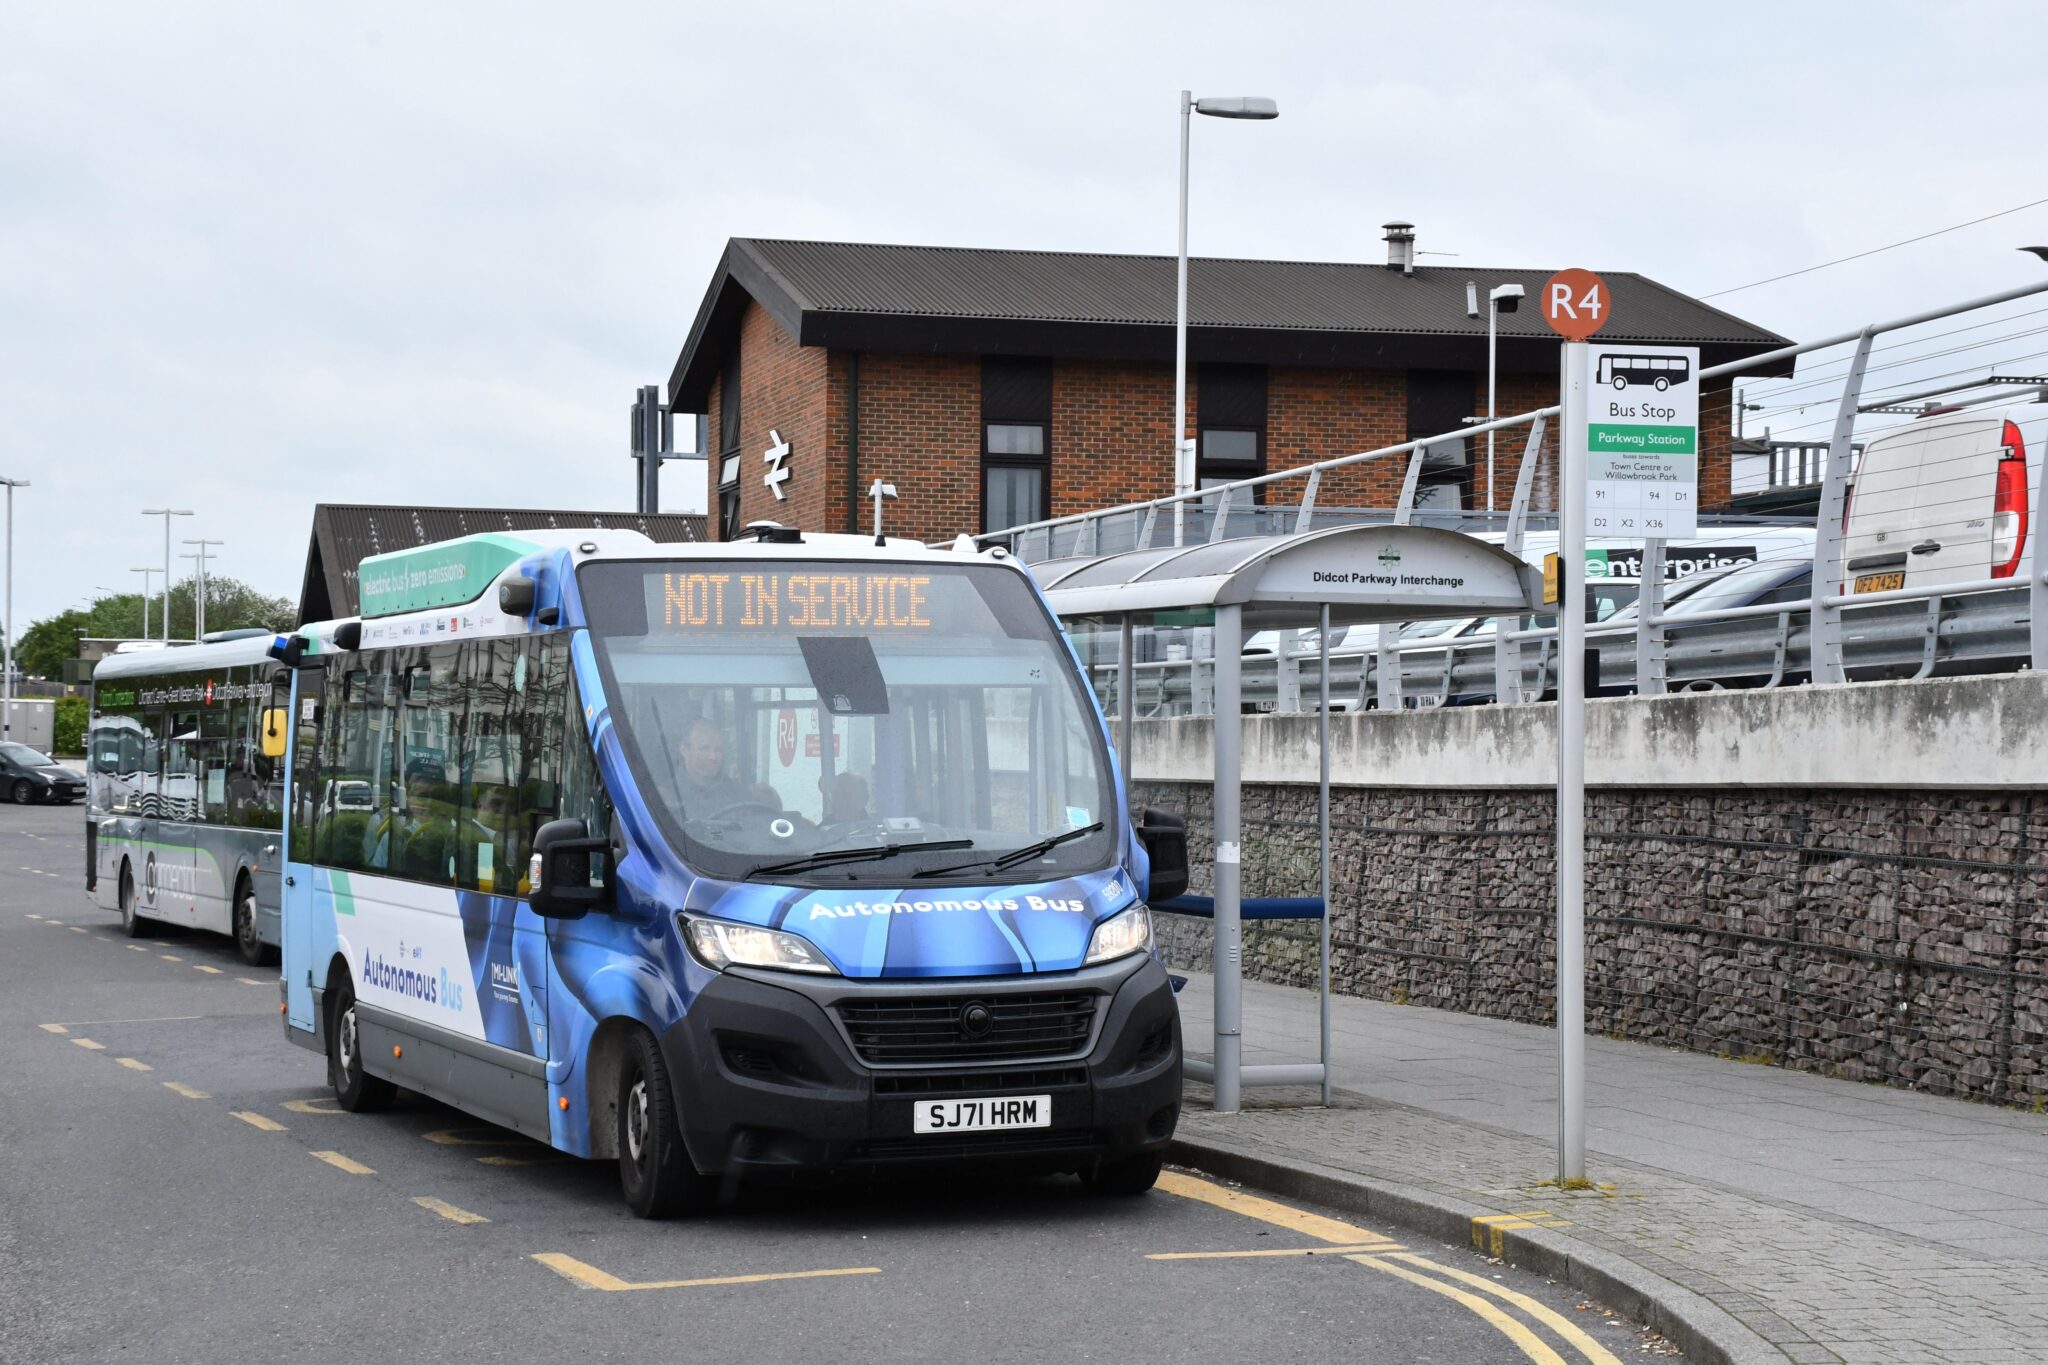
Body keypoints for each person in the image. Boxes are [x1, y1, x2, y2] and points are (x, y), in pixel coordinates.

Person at [675, 717, 749, 816]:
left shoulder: (737, 794)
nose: (713, 757)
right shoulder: (669, 795)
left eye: (718, 750)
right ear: (684, 751)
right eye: (705, 749)